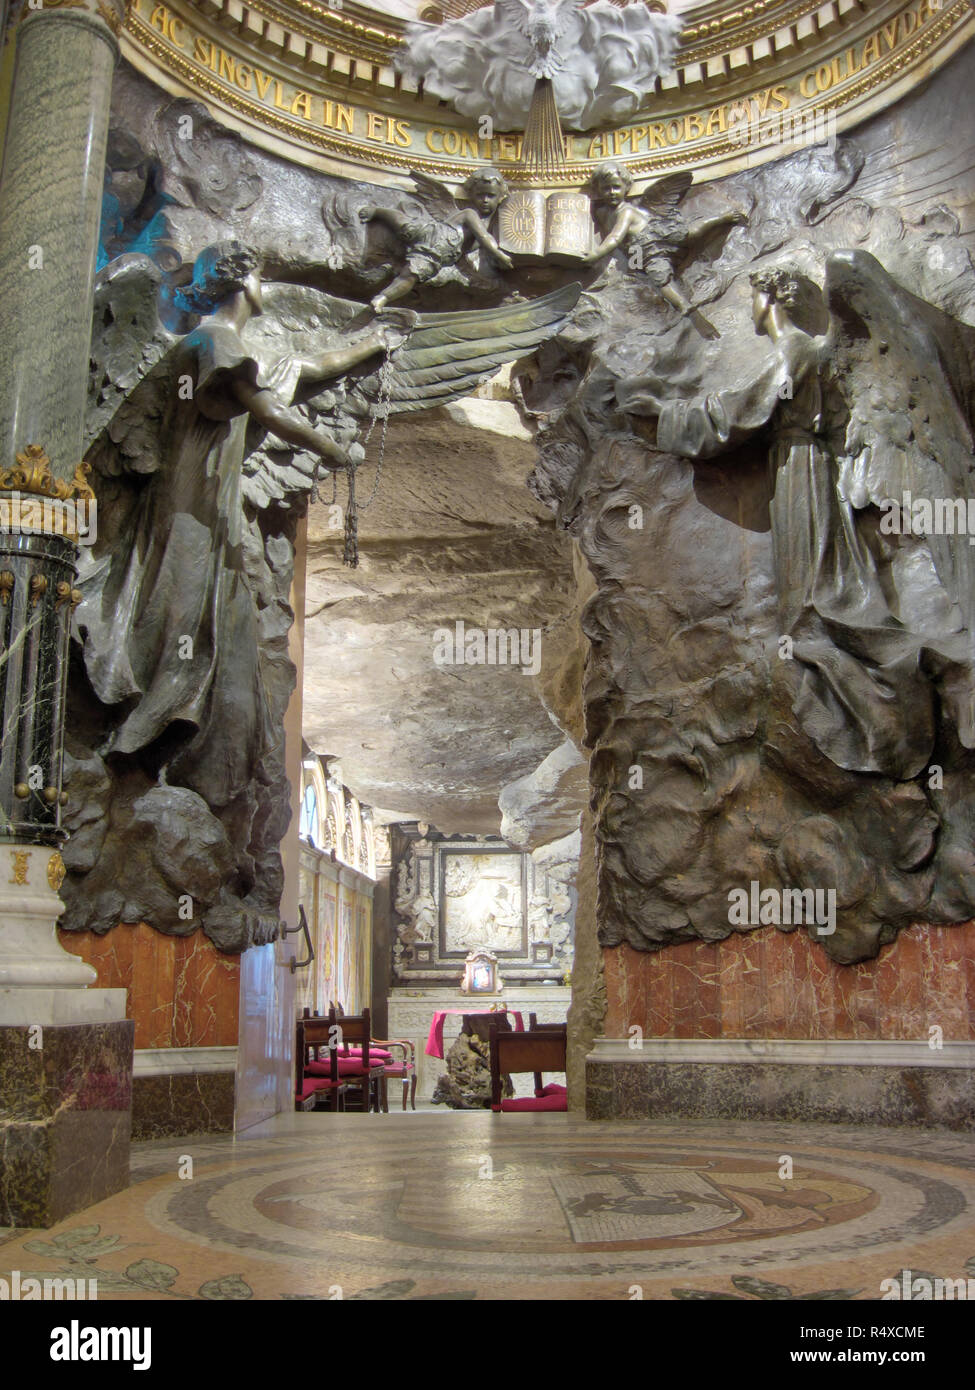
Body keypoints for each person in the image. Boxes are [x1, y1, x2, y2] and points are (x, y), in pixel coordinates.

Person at [78, 241, 407, 806]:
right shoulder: (212, 341)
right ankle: (141, 727)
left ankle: (183, 740)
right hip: (184, 503)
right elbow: (270, 409)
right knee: (177, 606)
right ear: (243, 283)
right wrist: (332, 448)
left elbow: (302, 372)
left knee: (217, 619)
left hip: (212, 507)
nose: (266, 288)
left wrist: (374, 345)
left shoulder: (232, 350)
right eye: (261, 276)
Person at [619, 265, 945, 779]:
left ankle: (884, 725)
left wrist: (661, 417)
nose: (749, 306)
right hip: (804, 471)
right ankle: (877, 720)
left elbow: (736, 416)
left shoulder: (796, 352)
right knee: (813, 600)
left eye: (753, 295)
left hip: (804, 475)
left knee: (816, 600)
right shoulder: (805, 353)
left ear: (770, 299)